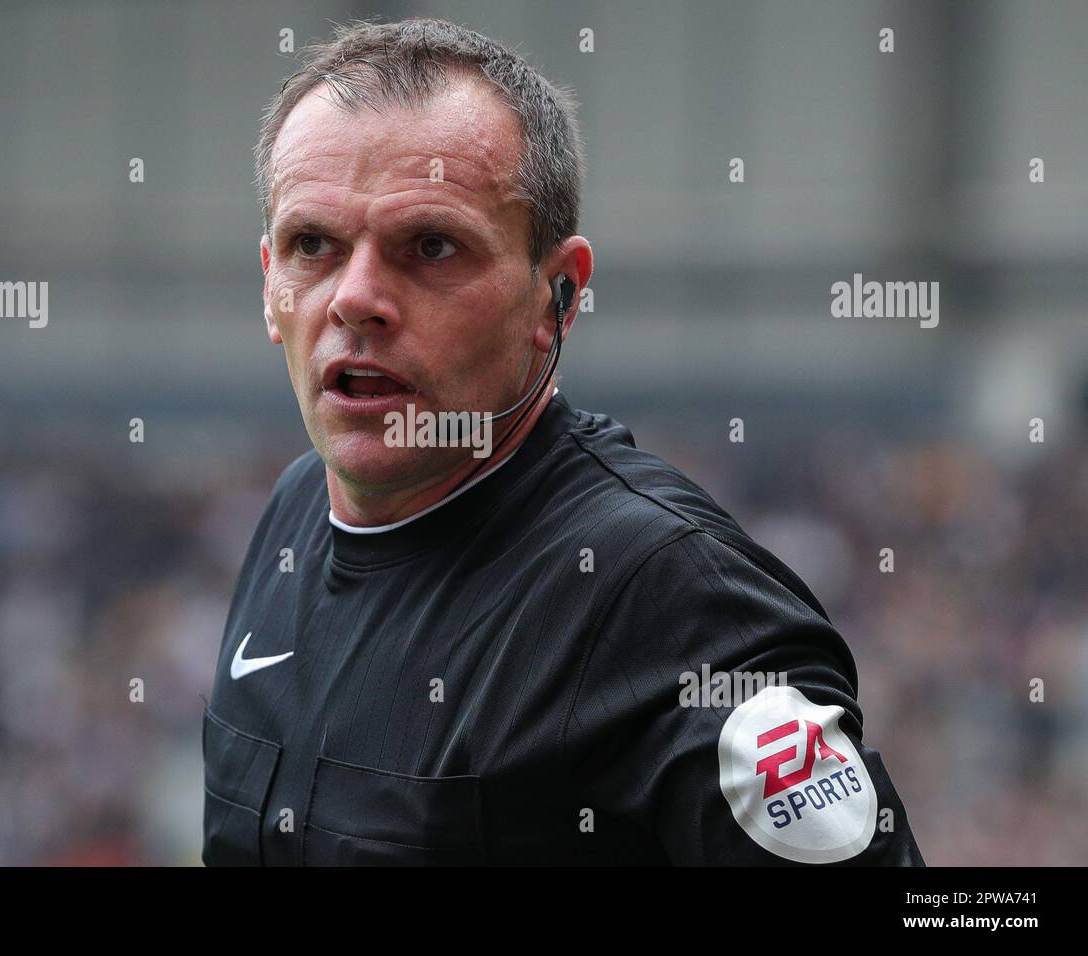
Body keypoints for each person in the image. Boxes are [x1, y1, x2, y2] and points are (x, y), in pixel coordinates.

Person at [203, 16, 925, 865]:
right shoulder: (292, 517)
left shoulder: (664, 596)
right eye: (313, 244)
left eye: (430, 247)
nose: (356, 298)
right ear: (268, 287)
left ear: (559, 299)